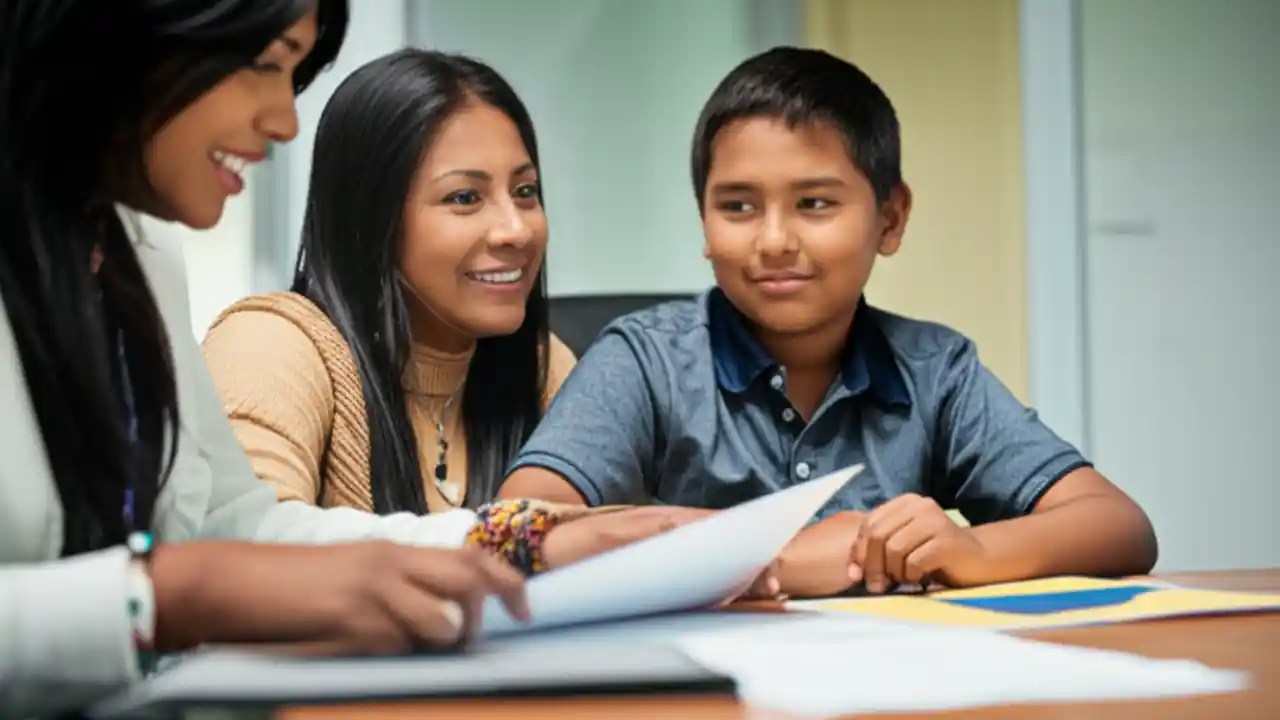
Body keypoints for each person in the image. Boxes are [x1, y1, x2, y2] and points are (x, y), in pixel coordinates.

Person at [0, 4, 668, 716]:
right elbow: (208, 571)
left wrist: (517, 541)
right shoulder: (279, 340)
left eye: (526, 191)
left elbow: (238, 525)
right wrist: (168, 593)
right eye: (264, 64)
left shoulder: (139, 251)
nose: (285, 122)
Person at [499, 47, 1158, 598]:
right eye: (738, 206)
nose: (776, 240)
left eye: (814, 203)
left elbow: (1119, 525)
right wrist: (790, 558)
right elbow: (512, 529)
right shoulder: (645, 361)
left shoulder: (935, 370)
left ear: (891, 219)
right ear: (703, 221)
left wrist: (970, 549)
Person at [201, 50, 574, 515]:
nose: (517, 230)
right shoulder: (270, 344)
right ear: (372, 217)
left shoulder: (544, 367)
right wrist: (504, 541)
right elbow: (247, 549)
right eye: (464, 197)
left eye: (525, 192)